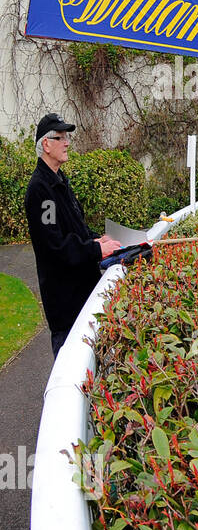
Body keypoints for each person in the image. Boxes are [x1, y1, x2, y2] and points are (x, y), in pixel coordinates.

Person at [24, 114, 122, 356]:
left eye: (68, 137)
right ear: (46, 145)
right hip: (65, 303)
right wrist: (96, 250)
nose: (67, 142)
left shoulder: (59, 180)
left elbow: (76, 226)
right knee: (70, 368)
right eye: (61, 137)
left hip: (82, 292)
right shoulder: (41, 190)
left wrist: (97, 239)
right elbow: (54, 246)